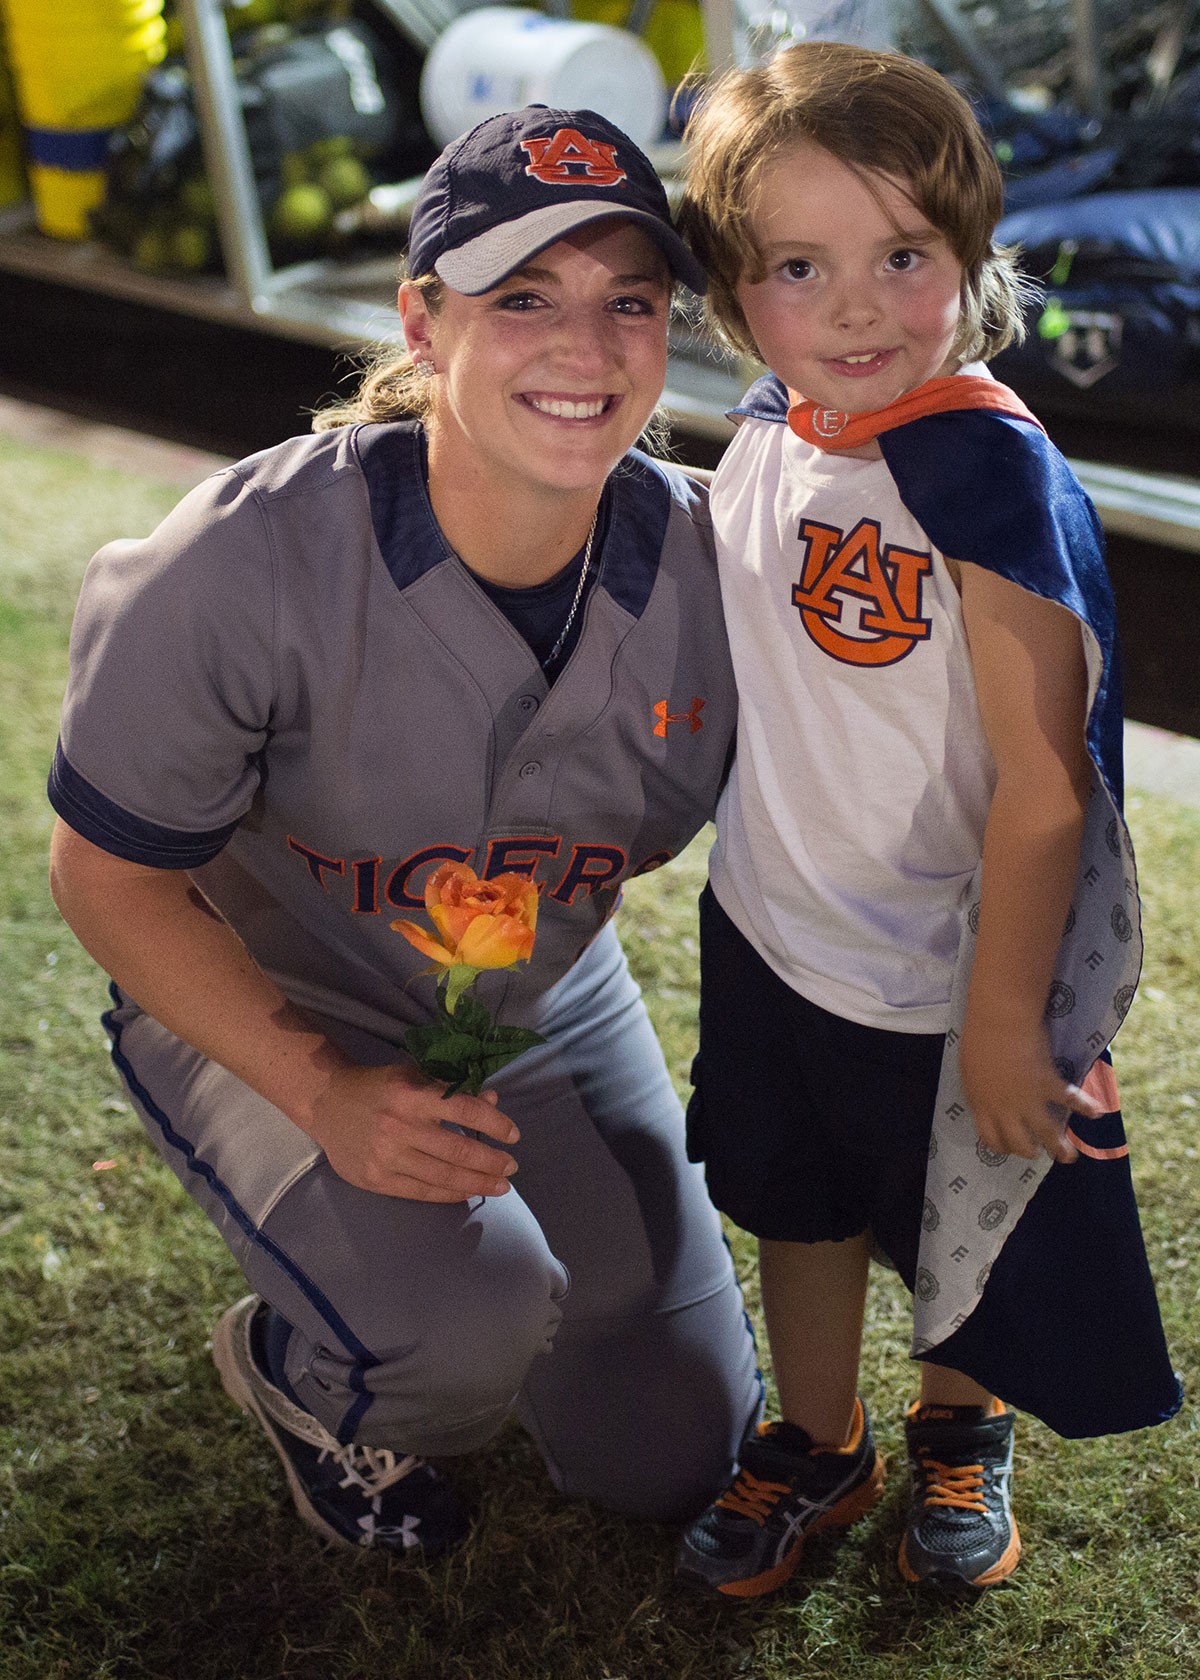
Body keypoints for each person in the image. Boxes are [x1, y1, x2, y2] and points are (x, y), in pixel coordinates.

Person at [47, 105, 762, 1559]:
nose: (585, 346)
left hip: (533, 998)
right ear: (423, 323)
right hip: (271, 989)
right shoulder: (240, 561)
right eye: (523, 298)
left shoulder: (720, 565)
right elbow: (106, 880)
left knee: (673, 1443)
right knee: (458, 1327)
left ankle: (467, 1292)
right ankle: (304, 1374)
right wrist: (322, 1092)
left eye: (628, 301)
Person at [672, 42, 1180, 1598]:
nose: (854, 311)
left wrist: (1004, 1018)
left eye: (902, 255)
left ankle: (962, 1423)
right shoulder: (770, 430)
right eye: (798, 268)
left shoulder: (989, 481)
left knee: (960, 1228)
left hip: (941, 975)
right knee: (798, 1205)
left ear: (970, 248)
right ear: (734, 293)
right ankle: (815, 1439)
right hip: (773, 933)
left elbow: (1047, 785)